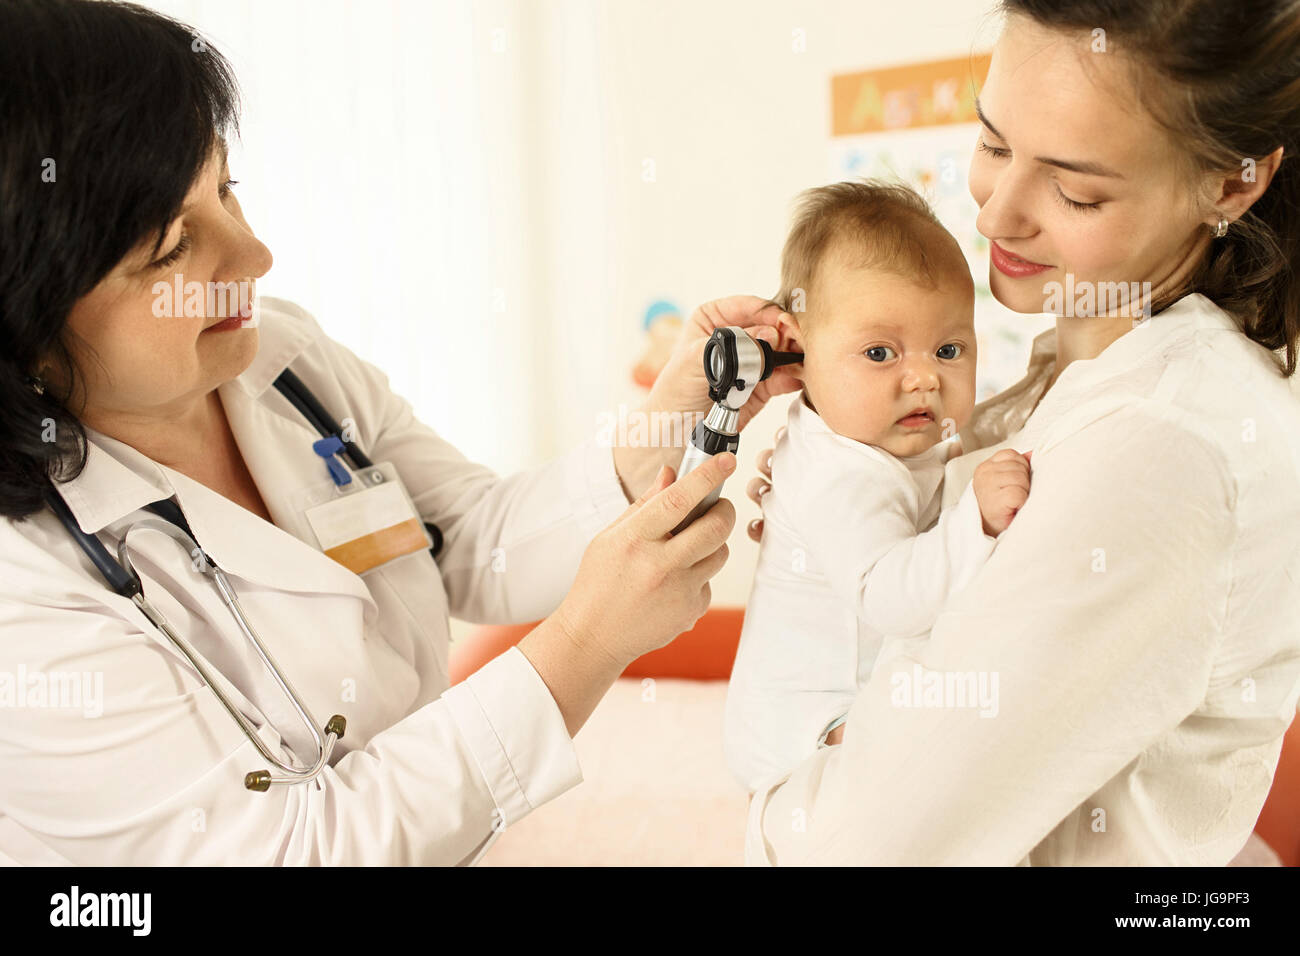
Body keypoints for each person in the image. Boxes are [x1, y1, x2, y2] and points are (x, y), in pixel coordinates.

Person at [0, 0, 801, 865]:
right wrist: (588, 642)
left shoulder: (285, 361)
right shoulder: (26, 593)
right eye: (171, 247)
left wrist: (669, 414)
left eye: (227, 186)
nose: (254, 256)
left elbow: (470, 542)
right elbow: (294, 851)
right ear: (28, 317)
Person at [742, 0, 1300, 864]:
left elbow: (863, 847)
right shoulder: (1073, 377)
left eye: (1074, 189)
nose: (995, 216)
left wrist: (782, 795)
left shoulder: (1160, 445)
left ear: (1230, 183)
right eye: (993, 143)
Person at [723, 180, 1032, 792]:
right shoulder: (842, 472)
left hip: (822, 714)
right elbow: (890, 597)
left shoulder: (868, 439)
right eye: (879, 352)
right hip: (806, 727)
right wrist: (977, 521)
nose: (922, 378)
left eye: (948, 348)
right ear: (795, 347)